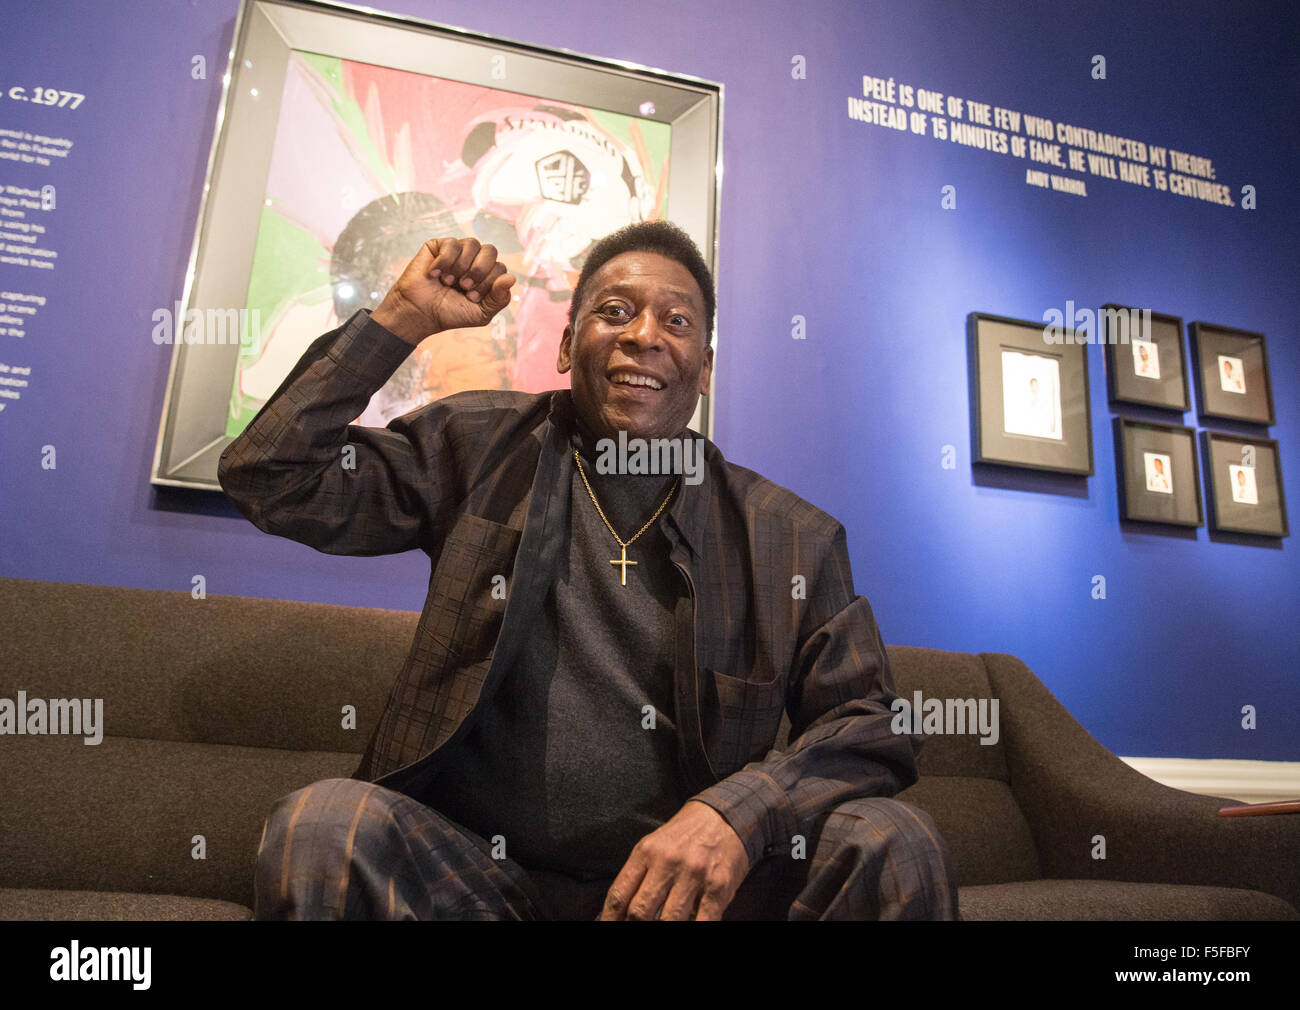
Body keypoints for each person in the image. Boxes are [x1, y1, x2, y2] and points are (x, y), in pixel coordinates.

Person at [218, 220, 958, 921]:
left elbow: (873, 720)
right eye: (614, 311)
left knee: (892, 839)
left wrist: (739, 812)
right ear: (569, 345)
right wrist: (402, 319)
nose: (644, 336)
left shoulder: (790, 537)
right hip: (481, 880)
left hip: (685, 898)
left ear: (705, 368)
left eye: (677, 322)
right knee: (326, 824)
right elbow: (269, 476)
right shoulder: (476, 448)